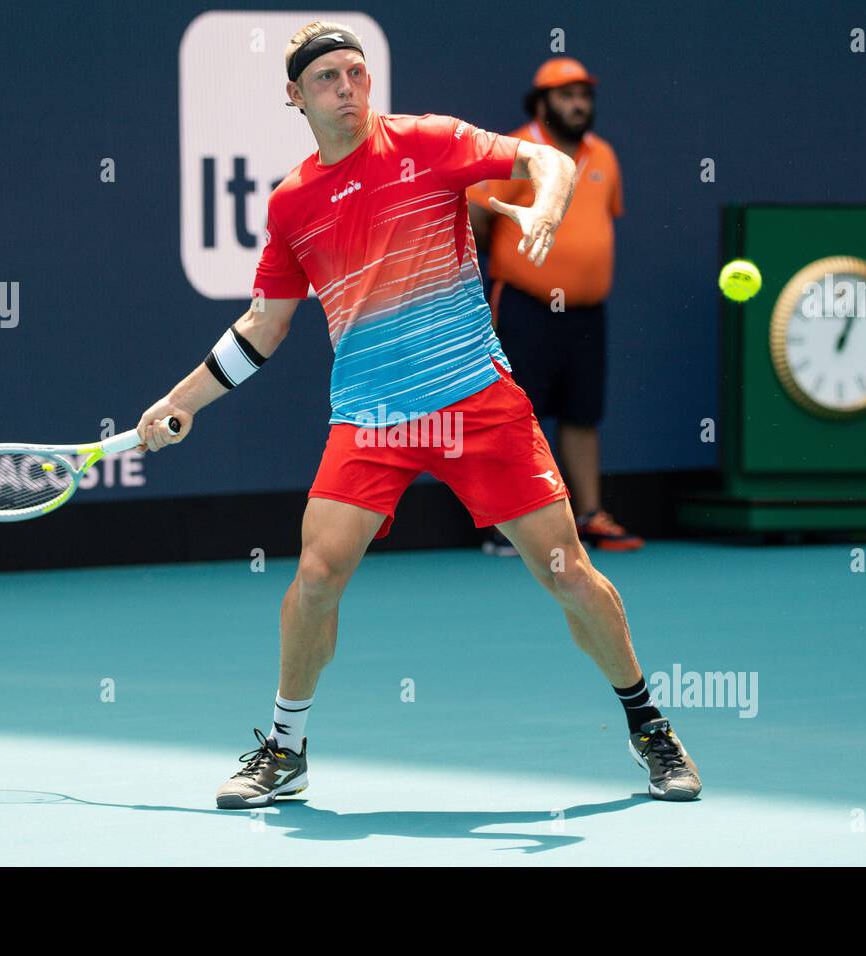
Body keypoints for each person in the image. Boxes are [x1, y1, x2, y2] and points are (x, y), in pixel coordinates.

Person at [133, 22, 700, 807]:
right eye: (327, 77)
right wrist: (180, 401)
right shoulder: (293, 203)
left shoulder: (429, 143)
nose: (347, 86)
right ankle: (286, 749)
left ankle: (650, 727)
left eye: (355, 71)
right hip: (371, 418)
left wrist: (544, 210)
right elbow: (264, 326)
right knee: (316, 575)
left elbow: (547, 159)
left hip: (476, 398)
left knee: (568, 572)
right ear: (294, 96)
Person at [468, 57, 643, 556]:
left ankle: (589, 516)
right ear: (542, 102)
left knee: (582, 414)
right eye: (566, 95)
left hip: (587, 313)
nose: (578, 104)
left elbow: (599, 223)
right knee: (517, 414)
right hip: (524, 304)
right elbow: (478, 216)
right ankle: (509, 525)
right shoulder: (514, 151)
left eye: (584, 95)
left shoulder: (604, 156)